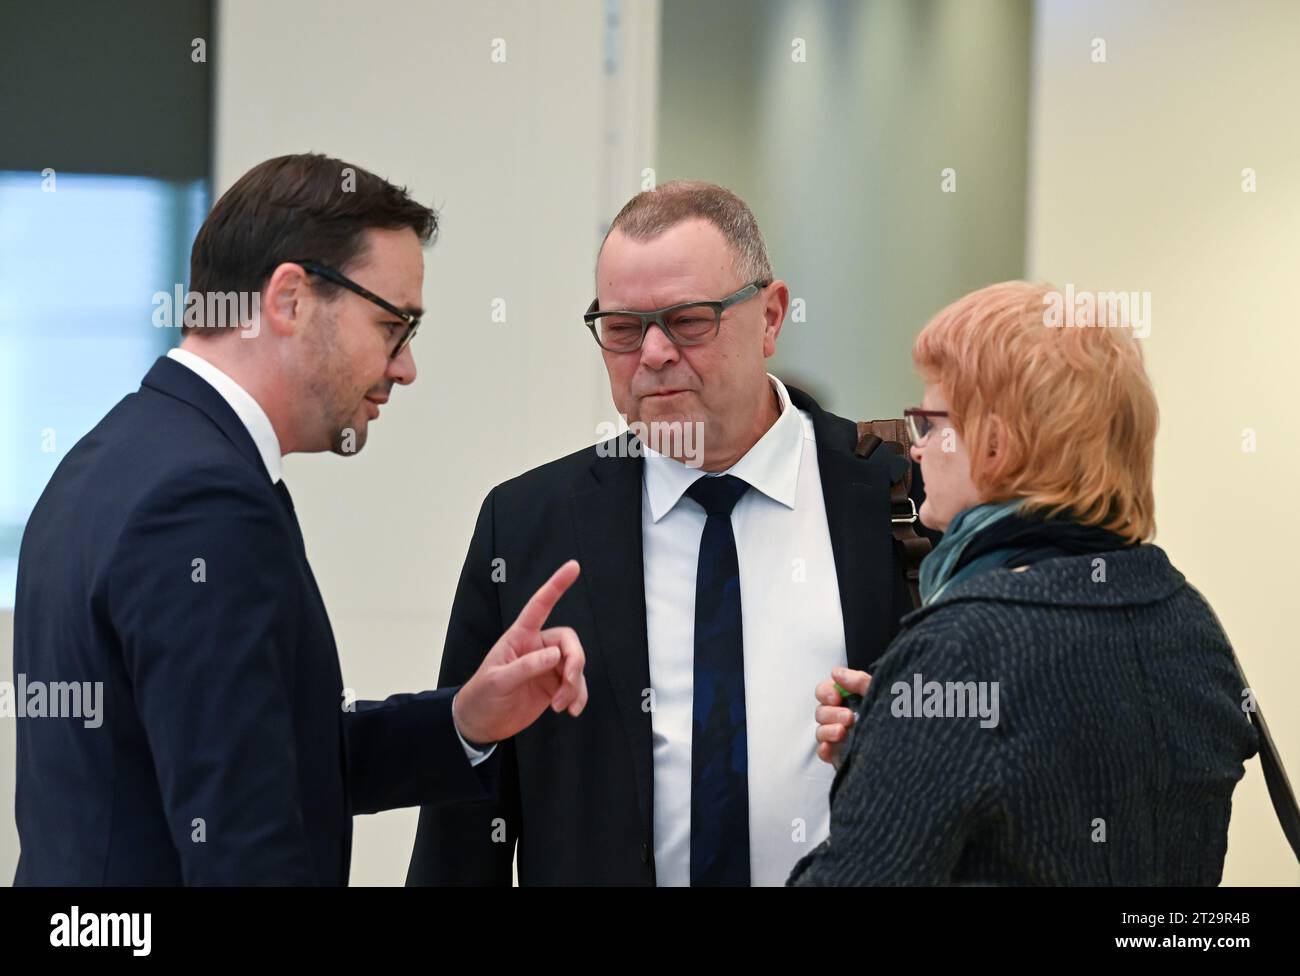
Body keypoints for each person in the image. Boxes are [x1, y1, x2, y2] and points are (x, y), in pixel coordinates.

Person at [12, 153, 588, 885]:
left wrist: (464, 719)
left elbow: (266, 758)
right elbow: (242, 845)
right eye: (394, 325)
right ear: (289, 298)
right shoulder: (204, 502)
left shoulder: (113, 457)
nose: (405, 366)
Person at [408, 180, 922, 886]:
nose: (652, 353)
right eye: (622, 329)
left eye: (688, 321)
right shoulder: (529, 524)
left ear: (770, 317)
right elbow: (467, 816)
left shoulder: (892, 498)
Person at [792, 280, 1258, 885]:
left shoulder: (962, 647)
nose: (916, 452)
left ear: (996, 443)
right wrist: (894, 745)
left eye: (929, 424)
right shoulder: (1188, 618)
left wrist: (887, 758)